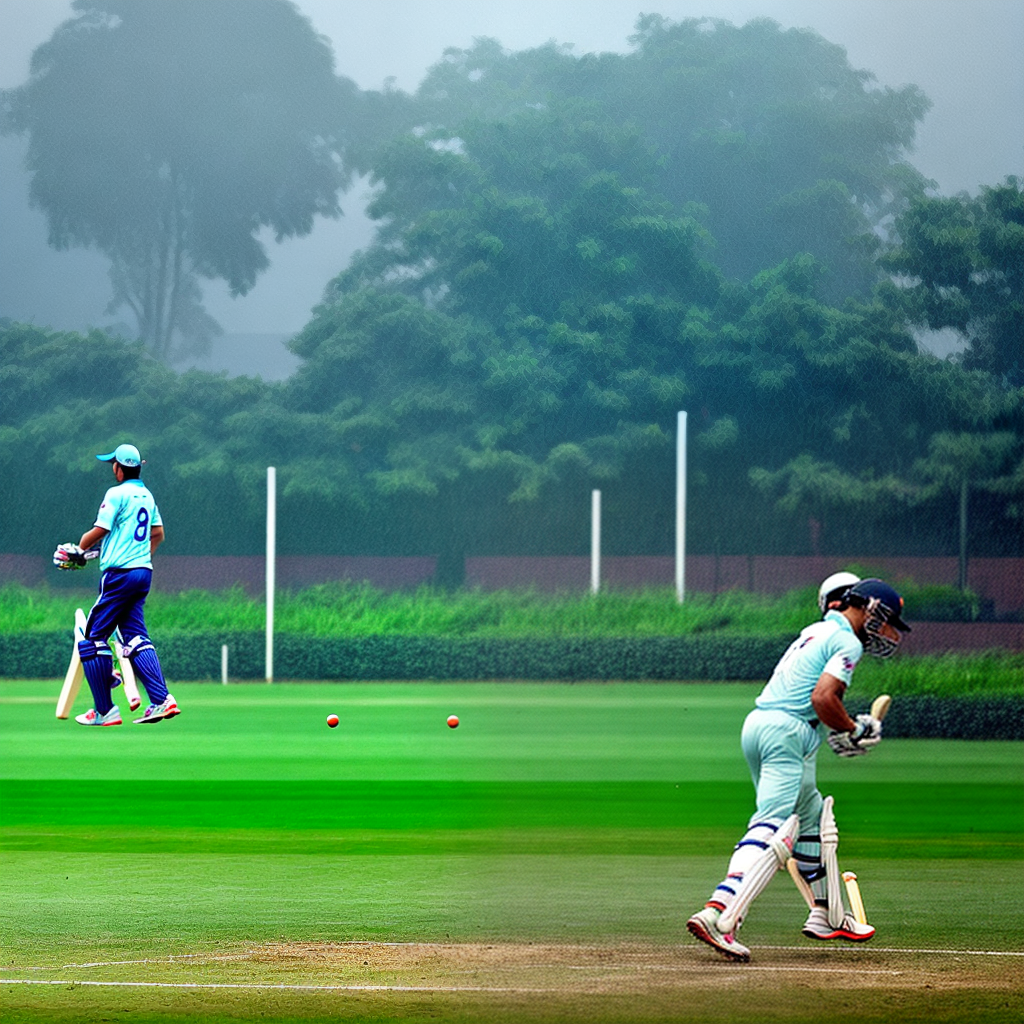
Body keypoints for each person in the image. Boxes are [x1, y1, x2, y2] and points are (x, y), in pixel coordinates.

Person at [686, 577, 911, 962]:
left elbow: (818, 703)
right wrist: (855, 730)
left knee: (811, 816)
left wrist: (844, 727)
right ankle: (719, 914)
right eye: (888, 619)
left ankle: (826, 914)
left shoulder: (816, 631)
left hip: (763, 726)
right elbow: (822, 697)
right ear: (870, 607)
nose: (888, 632)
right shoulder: (848, 642)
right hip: (787, 735)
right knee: (773, 824)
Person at [52, 443, 180, 726]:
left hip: (118, 575)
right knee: (135, 636)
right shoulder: (146, 495)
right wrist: (141, 557)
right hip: (142, 573)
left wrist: (81, 549)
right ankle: (162, 700)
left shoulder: (116, 493)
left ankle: (104, 710)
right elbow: (158, 533)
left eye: (114, 464)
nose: (113, 468)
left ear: (119, 468)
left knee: (91, 639)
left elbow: (101, 529)